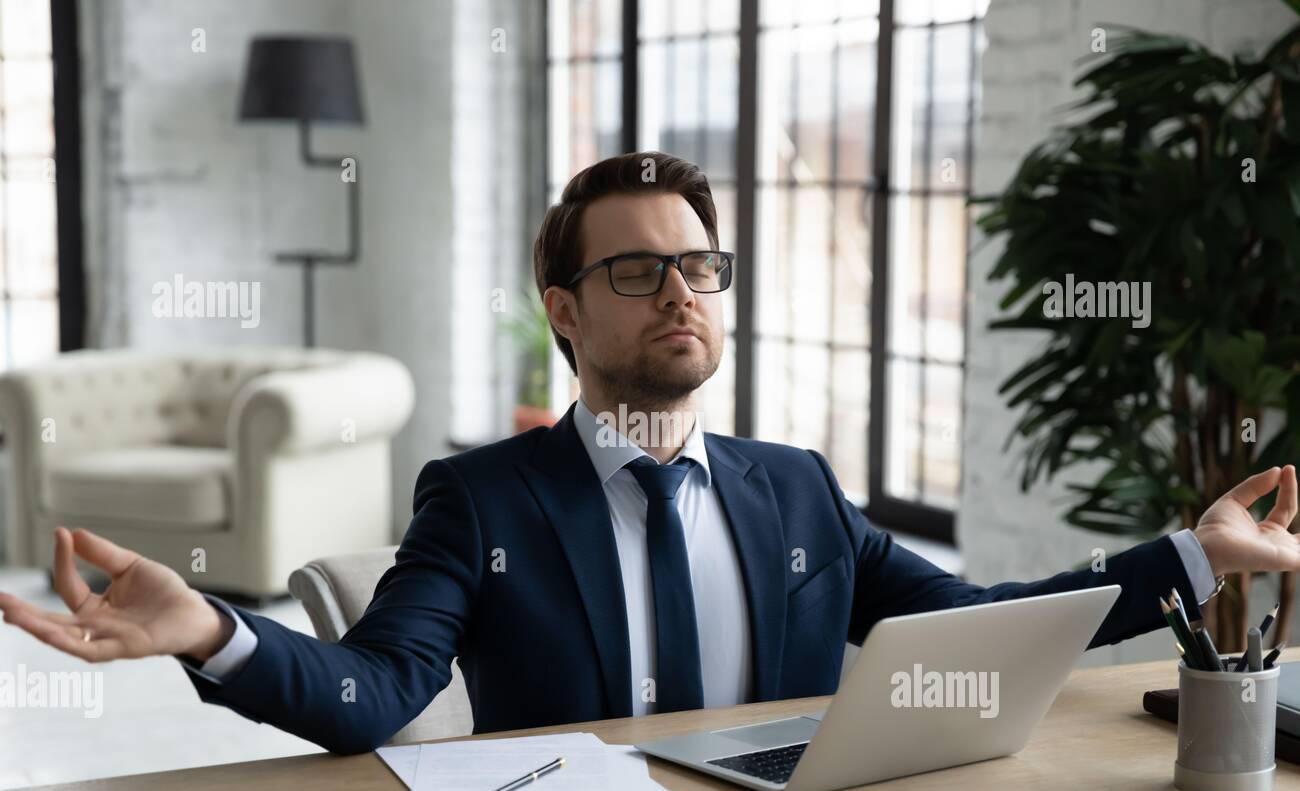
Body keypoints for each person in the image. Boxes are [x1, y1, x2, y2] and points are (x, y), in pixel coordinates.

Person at [4, 151, 1299, 755]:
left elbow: (978, 625)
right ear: (566, 313)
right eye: (635, 269)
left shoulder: (794, 486)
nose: (679, 291)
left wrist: (1192, 553)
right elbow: (379, 693)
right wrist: (212, 633)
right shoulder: (479, 498)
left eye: (699, 267)